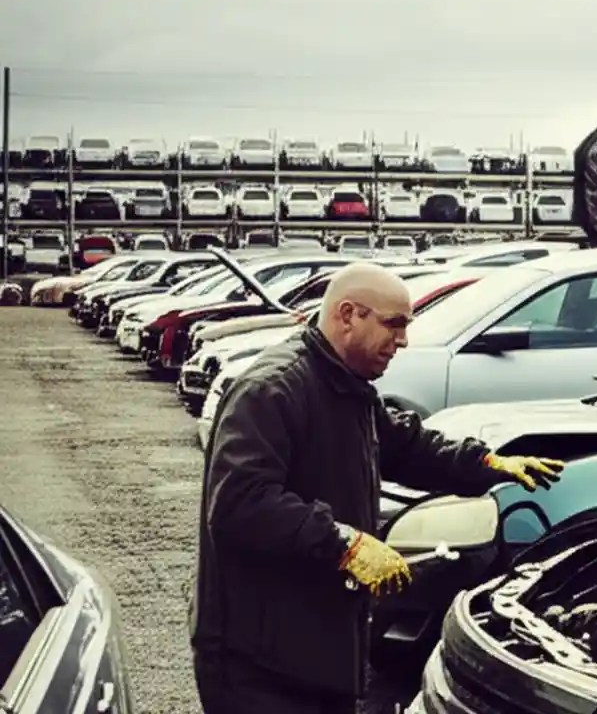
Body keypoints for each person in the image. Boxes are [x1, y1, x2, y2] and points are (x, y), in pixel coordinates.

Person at [189, 262, 565, 714]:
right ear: (348, 315)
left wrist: (487, 463)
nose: (403, 341)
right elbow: (240, 504)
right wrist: (344, 544)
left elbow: (406, 446)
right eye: (394, 325)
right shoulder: (273, 390)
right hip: (258, 659)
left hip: (312, 643)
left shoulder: (346, 385)